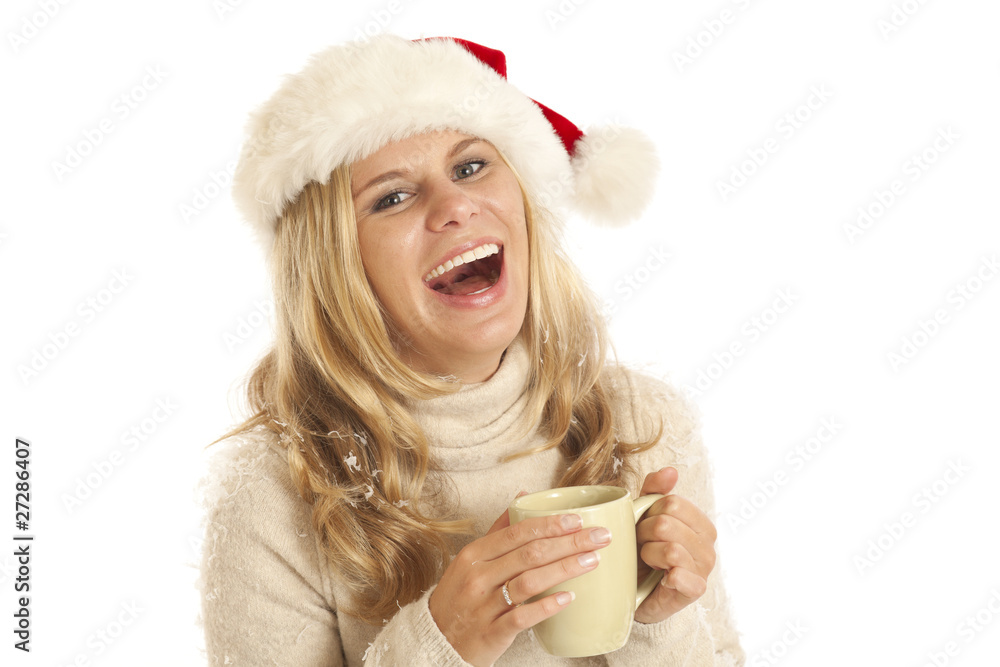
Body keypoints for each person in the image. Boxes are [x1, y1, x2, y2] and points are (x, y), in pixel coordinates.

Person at [199, 34, 745, 666]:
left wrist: (656, 622)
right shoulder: (271, 494)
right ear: (335, 264)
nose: (456, 205)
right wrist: (440, 643)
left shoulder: (643, 426)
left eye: (470, 166)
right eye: (392, 197)